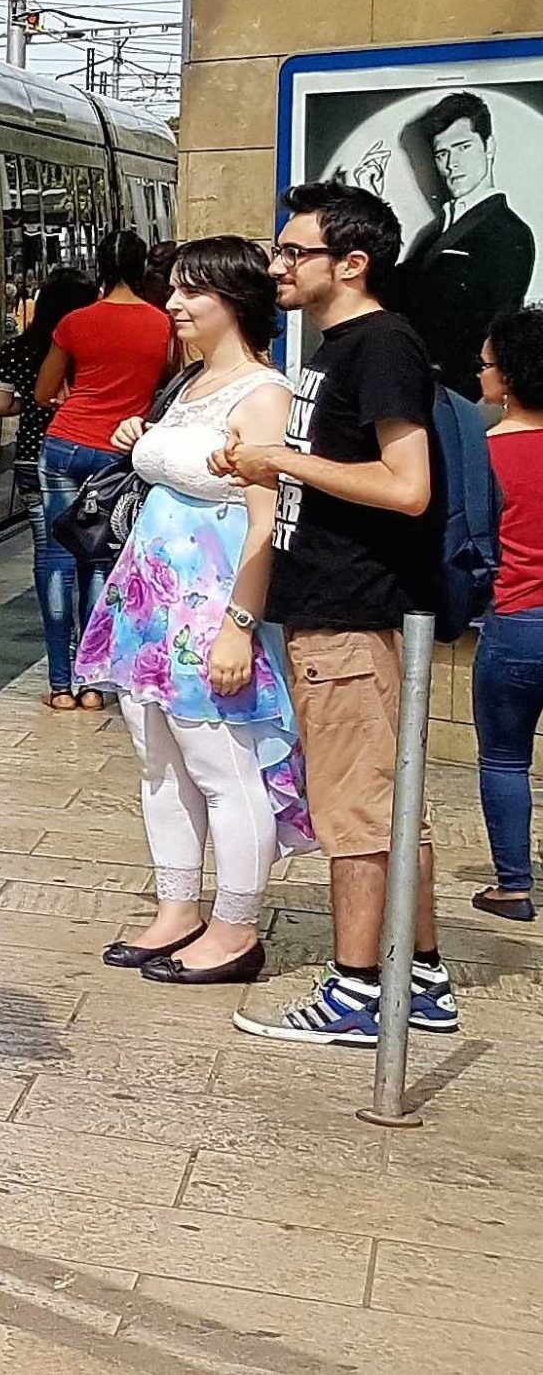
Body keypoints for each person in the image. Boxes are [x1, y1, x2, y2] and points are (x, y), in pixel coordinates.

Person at [216, 182, 459, 1047]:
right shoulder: (339, 348)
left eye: (295, 253)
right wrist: (271, 468)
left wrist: (283, 460)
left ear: (350, 264)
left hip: (353, 611)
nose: (278, 266)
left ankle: (357, 989)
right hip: (335, 606)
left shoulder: (379, 345)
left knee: (355, 813)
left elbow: (407, 487)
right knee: (389, 806)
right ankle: (420, 974)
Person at [77, 238, 310, 985]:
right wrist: (141, 440)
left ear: (236, 301)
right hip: (149, 597)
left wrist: (241, 624)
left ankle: (237, 927)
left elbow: (267, 515)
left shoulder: (263, 394)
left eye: (191, 292)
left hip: (209, 604)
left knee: (222, 767)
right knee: (159, 763)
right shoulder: (188, 384)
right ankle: (178, 907)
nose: (174, 304)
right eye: (174, 289)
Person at [32, 230, 173, 712]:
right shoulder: (162, 324)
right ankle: (93, 683)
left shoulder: (75, 322)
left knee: (57, 558)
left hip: (65, 444)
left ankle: (59, 685)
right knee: (100, 561)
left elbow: (43, 391)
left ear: (99, 264)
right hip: (120, 453)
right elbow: (166, 387)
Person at [471, 303, 543, 922]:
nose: (480, 375)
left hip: (515, 619)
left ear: (511, 377)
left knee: (504, 757)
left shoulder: (483, 453)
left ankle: (513, 885)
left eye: (487, 364)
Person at [393, 92, 536, 399]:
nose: (451, 164)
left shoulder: (509, 233)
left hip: (457, 400)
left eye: (462, 147)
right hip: (416, 391)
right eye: (441, 153)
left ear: (489, 147)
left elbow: (494, 333)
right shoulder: (435, 230)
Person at [0, 268, 95, 516]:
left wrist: (33, 399)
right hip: (84, 449)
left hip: (31, 453)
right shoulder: (92, 347)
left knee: (45, 543)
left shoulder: (16, 348)